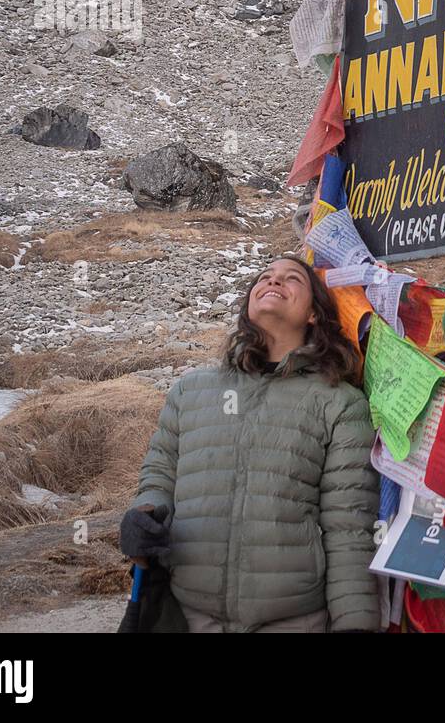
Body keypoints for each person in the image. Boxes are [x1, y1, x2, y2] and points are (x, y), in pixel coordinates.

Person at [120, 254, 380, 632]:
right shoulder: (191, 391)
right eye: (265, 276)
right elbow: (160, 479)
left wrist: (355, 624)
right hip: (186, 617)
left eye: (292, 279)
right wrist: (143, 515)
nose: (274, 281)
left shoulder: (339, 404)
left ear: (313, 315)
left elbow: (349, 531)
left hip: (293, 622)